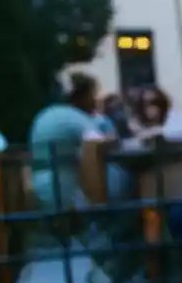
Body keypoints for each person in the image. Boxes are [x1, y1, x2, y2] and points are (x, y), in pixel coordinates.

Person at [29, 72, 116, 209]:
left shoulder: (44, 115)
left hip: (39, 187)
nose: (95, 100)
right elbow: (95, 143)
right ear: (83, 96)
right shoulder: (76, 118)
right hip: (65, 190)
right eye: (92, 94)